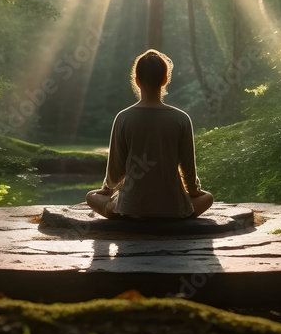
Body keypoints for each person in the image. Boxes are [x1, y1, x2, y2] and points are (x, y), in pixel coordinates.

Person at [86, 49, 214, 220]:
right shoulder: (181, 119)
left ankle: (129, 215)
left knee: (91, 196)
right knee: (208, 198)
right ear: (165, 79)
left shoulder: (123, 118)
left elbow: (115, 172)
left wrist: (107, 190)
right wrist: (194, 191)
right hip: (173, 211)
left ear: (137, 80)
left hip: (129, 210)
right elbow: (188, 171)